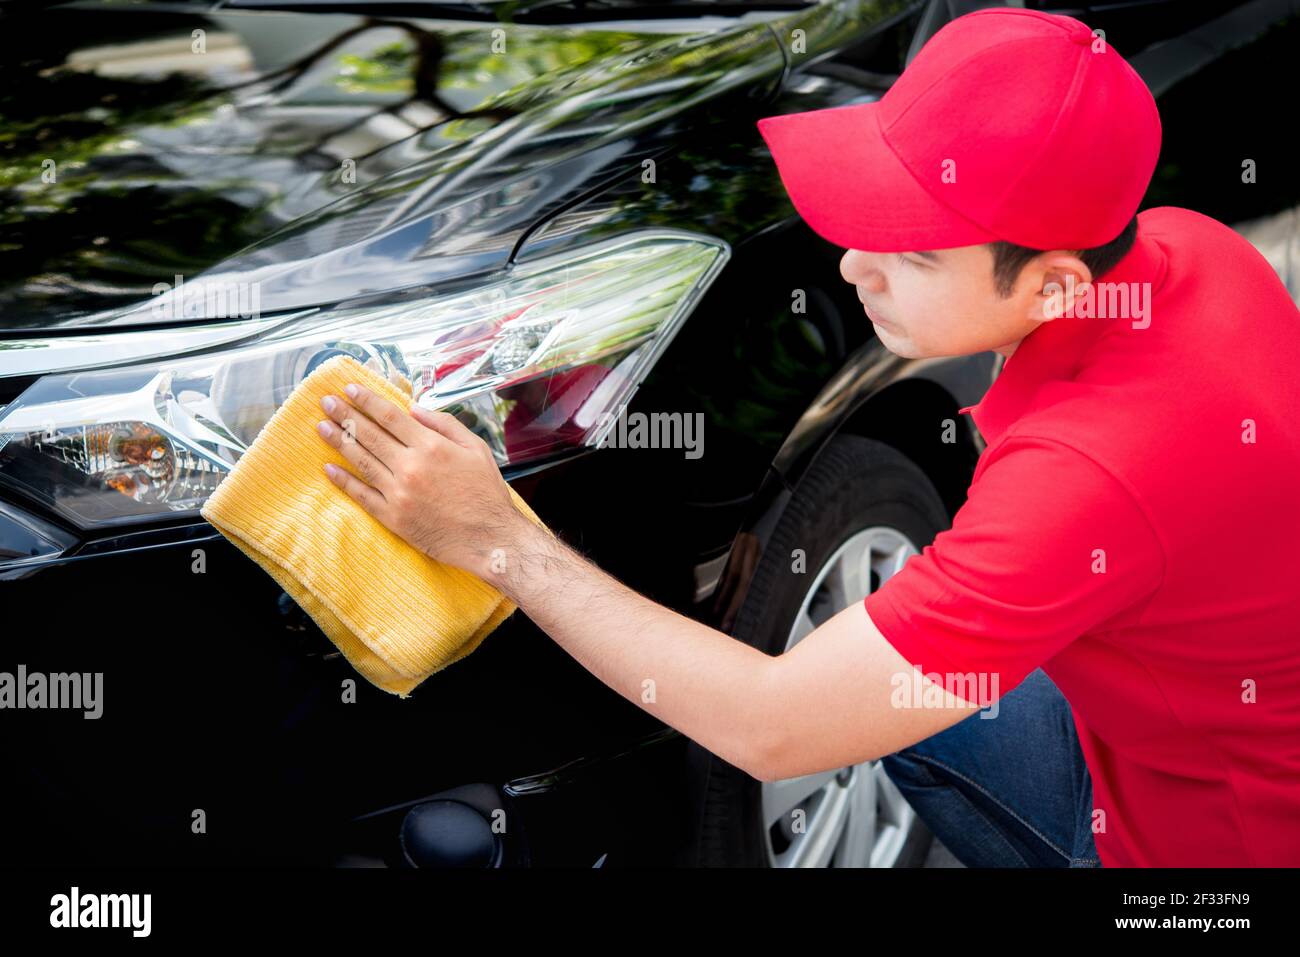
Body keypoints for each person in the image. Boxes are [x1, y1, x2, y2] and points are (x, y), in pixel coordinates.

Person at [309, 8, 1300, 866]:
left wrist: (498, 540)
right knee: (905, 690)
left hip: (1211, 843)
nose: (856, 262)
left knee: (858, 703)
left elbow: (775, 728)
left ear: (1053, 285)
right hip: (1189, 719)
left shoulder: (1088, 474)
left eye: (913, 251)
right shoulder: (1178, 243)